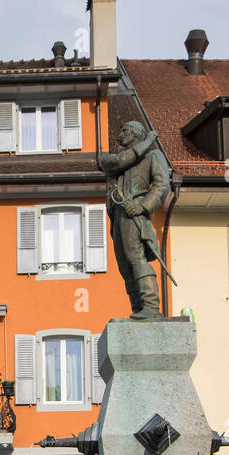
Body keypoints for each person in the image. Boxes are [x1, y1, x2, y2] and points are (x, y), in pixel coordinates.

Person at [99, 120, 171, 318]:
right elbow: (118, 162)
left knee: (135, 257)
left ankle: (150, 305)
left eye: (124, 130)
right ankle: (137, 308)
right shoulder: (112, 159)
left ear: (135, 133)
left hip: (134, 213)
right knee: (125, 266)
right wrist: (148, 141)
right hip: (118, 215)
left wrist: (142, 206)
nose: (119, 134)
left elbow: (161, 186)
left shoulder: (153, 156)